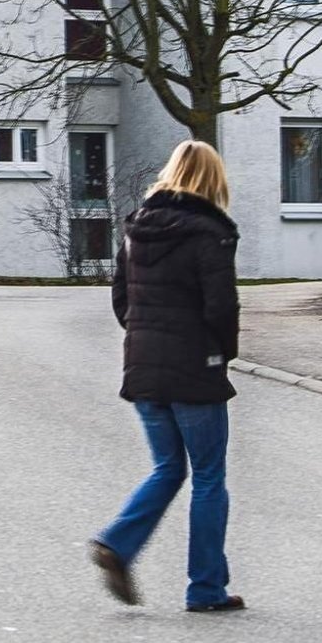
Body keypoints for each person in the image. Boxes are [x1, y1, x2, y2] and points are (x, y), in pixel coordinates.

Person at [88, 139, 244, 614]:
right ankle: (205, 590)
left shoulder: (136, 228)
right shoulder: (209, 233)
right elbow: (221, 307)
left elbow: (121, 300)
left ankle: (118, 542)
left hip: (144, 369)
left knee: (168, 468)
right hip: (196, 370)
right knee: (209, 477)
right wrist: (223, 353)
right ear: (212, 180)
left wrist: (146, 341)